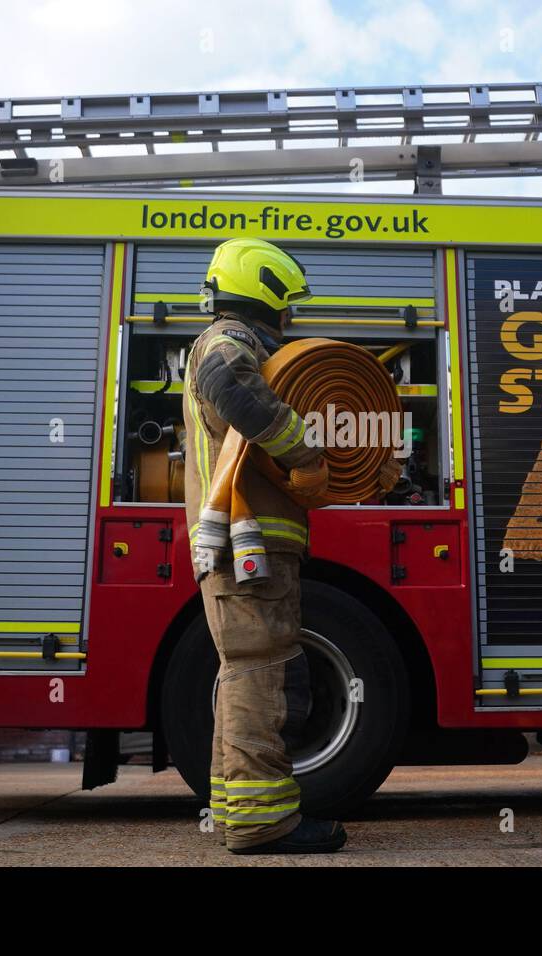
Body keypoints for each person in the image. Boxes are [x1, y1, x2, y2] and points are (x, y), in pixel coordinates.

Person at [183, 237, 399, 854]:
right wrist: (303, 451)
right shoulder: (230, 345)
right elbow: (232, 386)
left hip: (244, 546)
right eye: (287, 307)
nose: (289, 320)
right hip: (248, 548)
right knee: (261, 674)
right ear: (265, 292)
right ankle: (261, 824)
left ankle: (239, 813)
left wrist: (372, 462)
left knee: (246, 672)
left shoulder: (227, 342)